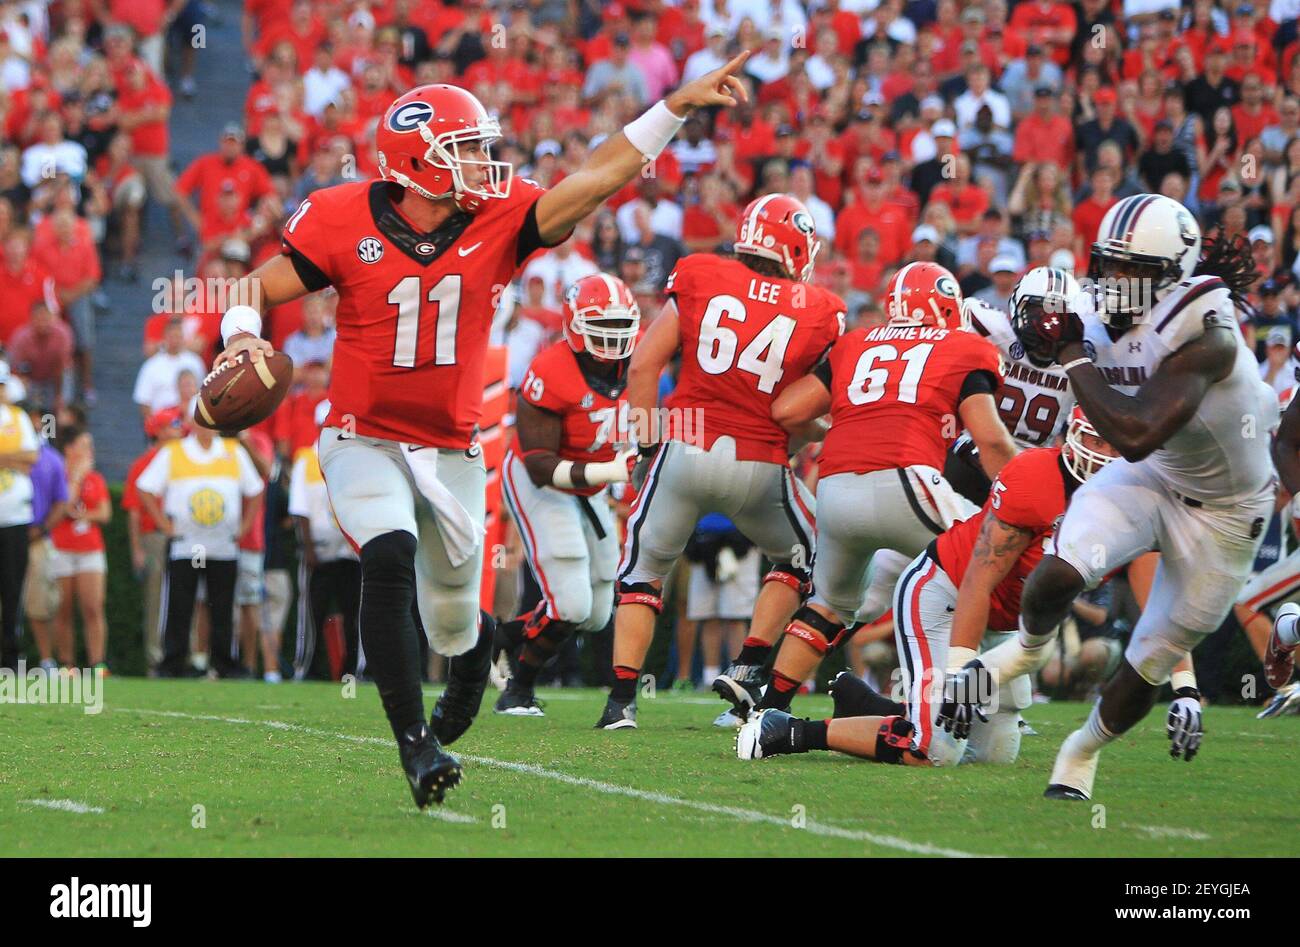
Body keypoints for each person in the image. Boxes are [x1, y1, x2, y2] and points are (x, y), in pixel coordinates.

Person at [214, 66, 753, 806]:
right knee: (388, 552)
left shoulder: (499, 213)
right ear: (415, 161)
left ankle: (475, 658)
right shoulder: (342, 218)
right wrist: (240, 338)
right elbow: (251, 287)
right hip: (361, 435)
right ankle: (414, 747)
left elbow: (595, 178)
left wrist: (673, 109)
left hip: (453, 445)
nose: (481, 163)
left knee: (450, 618)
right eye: (463, 148)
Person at [946, 196, 1279, 799]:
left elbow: (1131, 431)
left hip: (1227, 514)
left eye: (1135, 270)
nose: (1116, 282)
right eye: (1109, 264)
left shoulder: (1208, 332)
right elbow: (1036, 338)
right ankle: (1024, 655)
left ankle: (1080, 751)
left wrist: (1072, 351)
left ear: (1171, 275)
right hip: (1155, 477)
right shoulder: (1097, 306)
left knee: (1149, 660)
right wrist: (1046, 333)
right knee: (1053, 577)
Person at [739, 410, 1117, 765]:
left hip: (1005, 622)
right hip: (945, 594)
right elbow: (976, 583)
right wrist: (958, 675)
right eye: (1096, 441)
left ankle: (868, 704)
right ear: (1071, 437)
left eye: (1115, 445)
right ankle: (789, 731)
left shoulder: (1132, 500)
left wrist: (1180, 685)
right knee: (932, 749)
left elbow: (1168, 597)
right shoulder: (1036, 476)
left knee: (993, 754)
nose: (1105, 455)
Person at [597, 194, 844, 730]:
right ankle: (751, 666)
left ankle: (621, 703)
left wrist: (644, 446)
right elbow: (802, 408)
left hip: (685, 443)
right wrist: (816, 438)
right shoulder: (821, 309)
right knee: (804, 558)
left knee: (642, 573)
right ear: (796, 247)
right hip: (760, 458)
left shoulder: (701, 272)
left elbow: (643, 366)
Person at [749, 262, 1017, 717]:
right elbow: (990, 440)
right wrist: (1027, 496)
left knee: (829, 605)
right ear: (944, 307)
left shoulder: (854, 343)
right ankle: (999, 708)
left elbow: (788, 410)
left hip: (835, 487)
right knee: (992, 569)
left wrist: (832, 428)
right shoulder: (963, 347)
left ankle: (766, 708)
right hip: (906, 481)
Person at [495, 274, 639, 716]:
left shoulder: (640, 368)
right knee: (570, 601)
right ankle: (518, 688)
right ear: (576, 326)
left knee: (595, 613)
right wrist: (610, 469)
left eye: (621, 326)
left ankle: (492, 640)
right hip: (540, 481)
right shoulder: (551, 369)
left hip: (589, 486)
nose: (614, 338)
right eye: (603, 326)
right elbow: (539, 463)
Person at [134, 423, 265, 680]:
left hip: (223, 545)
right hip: (186, 544)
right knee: (180, 604)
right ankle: (173, 663)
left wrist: (246, 525)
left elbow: (256, 489)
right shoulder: (175, 452)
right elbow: (145, 487)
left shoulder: (233, 451)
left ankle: (224, 663)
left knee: (223, 607)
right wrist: (163, 524)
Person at [289, 401, 361, 680]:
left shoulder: (354, 459)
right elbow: (300, 509)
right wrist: (307, 548)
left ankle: (353, 670)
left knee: (353, 613)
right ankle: (307, 668)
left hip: (349, 551)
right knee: (312, 613)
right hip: (319, 549)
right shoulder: (306, 459)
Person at [121, 407, 184, 672]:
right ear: (157, 431)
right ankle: (155, 659)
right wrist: (136, 548)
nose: (179, 430)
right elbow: (134, 511)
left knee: (184, 595)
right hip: (154, 537)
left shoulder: (182, 458)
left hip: (181, 536)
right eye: (172, 425)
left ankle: (183, 657)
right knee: (156, 597)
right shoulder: (142, 464)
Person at [48, 427, 111, 670]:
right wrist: (75, 478)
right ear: (69, 449)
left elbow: (105, 513)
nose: (90, 451)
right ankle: (66, 664)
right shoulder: (59, 474)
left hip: (90, 548)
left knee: (93, 606)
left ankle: (98, 663)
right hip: (62, 547)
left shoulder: (95, 478)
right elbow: (64, 507)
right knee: (63, 608)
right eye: (85, 445)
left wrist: (84, 514)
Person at [21, 403, 67, 672]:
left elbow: (61, 502)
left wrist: (41, 528)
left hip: (37, 537)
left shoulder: (51, 458)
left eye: (37, 420)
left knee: (40, 602)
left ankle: (47, 659)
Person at [0, 362, 37, 671]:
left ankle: (11, 658)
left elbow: (32, 457)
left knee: (13, 589)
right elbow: (22, 458)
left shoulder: (17, 417)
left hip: (14, 516)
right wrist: (12, 459)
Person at [133, 316, 207, 420]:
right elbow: (144, 401)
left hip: (191, 424)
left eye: (178, 336)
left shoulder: (195, 362)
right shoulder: (151, 365)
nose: (175, 340)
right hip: (162, 425)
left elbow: (203, 393)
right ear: (165, 336)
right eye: (172, 336)